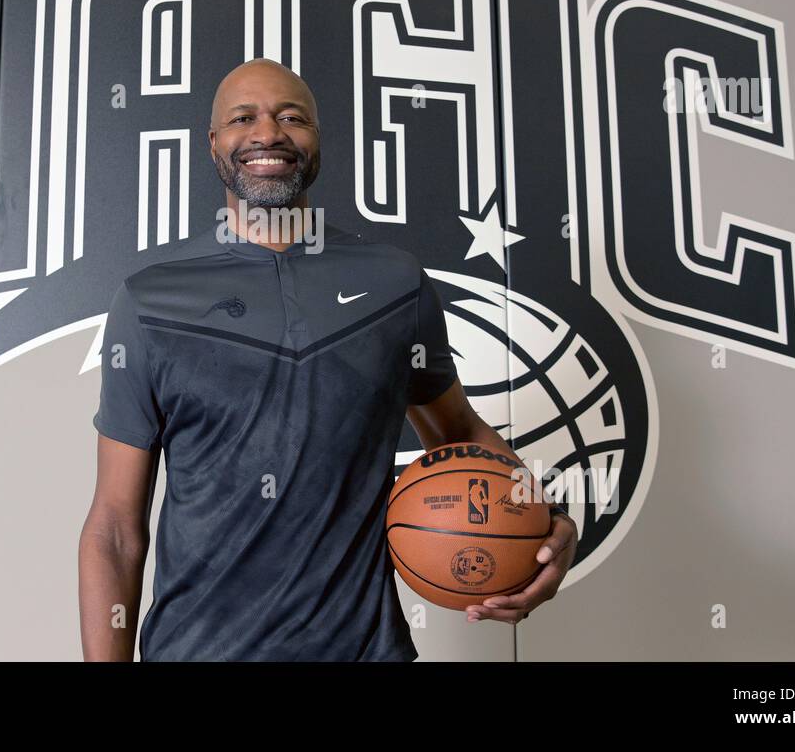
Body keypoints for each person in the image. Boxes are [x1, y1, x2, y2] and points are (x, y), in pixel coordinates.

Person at [78, 58, 577, 661]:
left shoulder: (394, 283)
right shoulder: (150, 301)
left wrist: (547, 519)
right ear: (213, 143)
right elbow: (114, 528)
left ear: (317, 139)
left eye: (293, 117)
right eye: (244, 117)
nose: (269, 133)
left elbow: (460, 434)